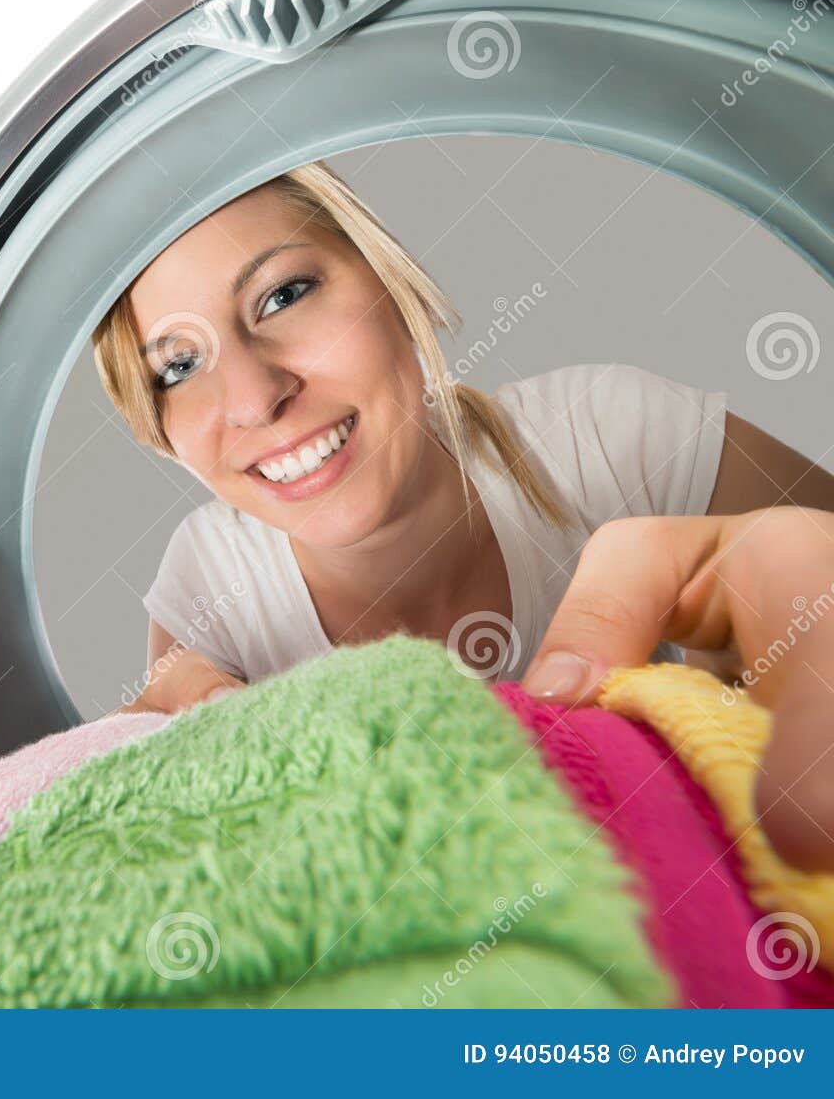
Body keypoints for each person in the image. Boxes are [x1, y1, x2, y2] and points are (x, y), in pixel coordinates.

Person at [90, 160, 834, 870]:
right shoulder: (208, 585)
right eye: (179, 366)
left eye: (284, 295)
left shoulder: (615, 436)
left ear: (390, 278)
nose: (256, 397)